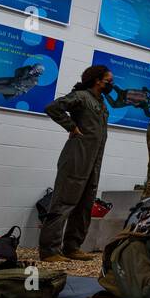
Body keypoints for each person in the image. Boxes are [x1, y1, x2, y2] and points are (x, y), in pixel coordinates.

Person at [38, 65, 113, 262]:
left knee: (84, 205)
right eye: (109, 80)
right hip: (76, 157)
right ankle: (49, 250)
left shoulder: (100, 102)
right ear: (97, 80)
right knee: (64, 202)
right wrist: (71, 126)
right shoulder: (81, 96)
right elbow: (52, 107)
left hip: (93, 161)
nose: (111, 84)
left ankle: (72, 247)